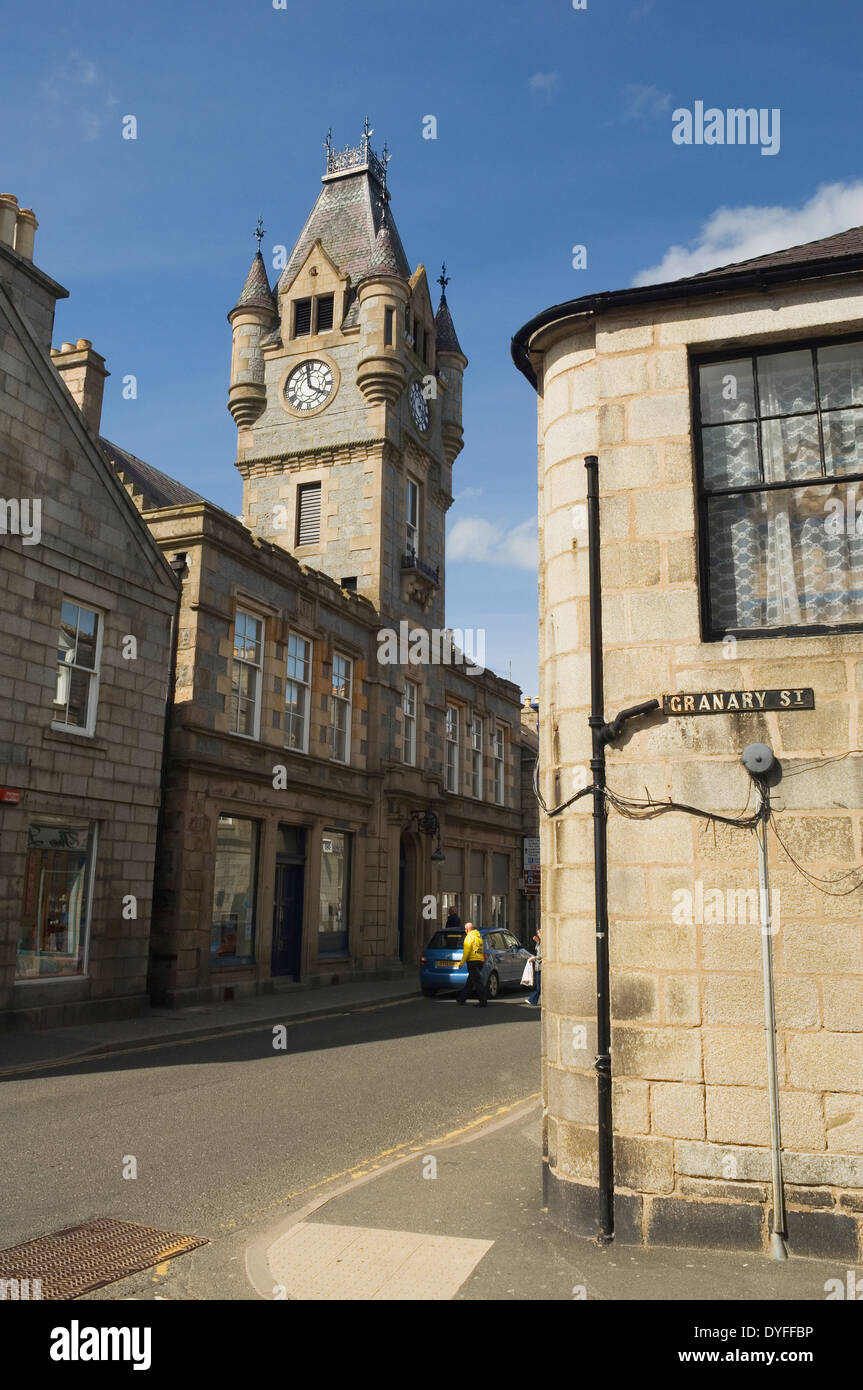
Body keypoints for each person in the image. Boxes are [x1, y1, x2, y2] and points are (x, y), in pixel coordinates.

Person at [455, 920, 487, 1008]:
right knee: (470, 982)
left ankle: (483, 1001)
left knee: (477, 982)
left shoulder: (469, 937)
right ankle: (461, 999)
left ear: (468, 929)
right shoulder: (478, 937)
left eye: (465, 929)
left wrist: (461, 963)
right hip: (480, 961)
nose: (465, 931)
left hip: (472, 962)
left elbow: (467, 952)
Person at [523, 929, 542, 1007]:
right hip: (538, 967)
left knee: (538, 986)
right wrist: (537, 942)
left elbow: (541, 955)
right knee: (537, 985)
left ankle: (532, 1000)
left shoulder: (543, 944)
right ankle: (533, 1000)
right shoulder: (539, 943)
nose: (537, 935)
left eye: (538, 933)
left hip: (540, 967)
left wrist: (534, 958)